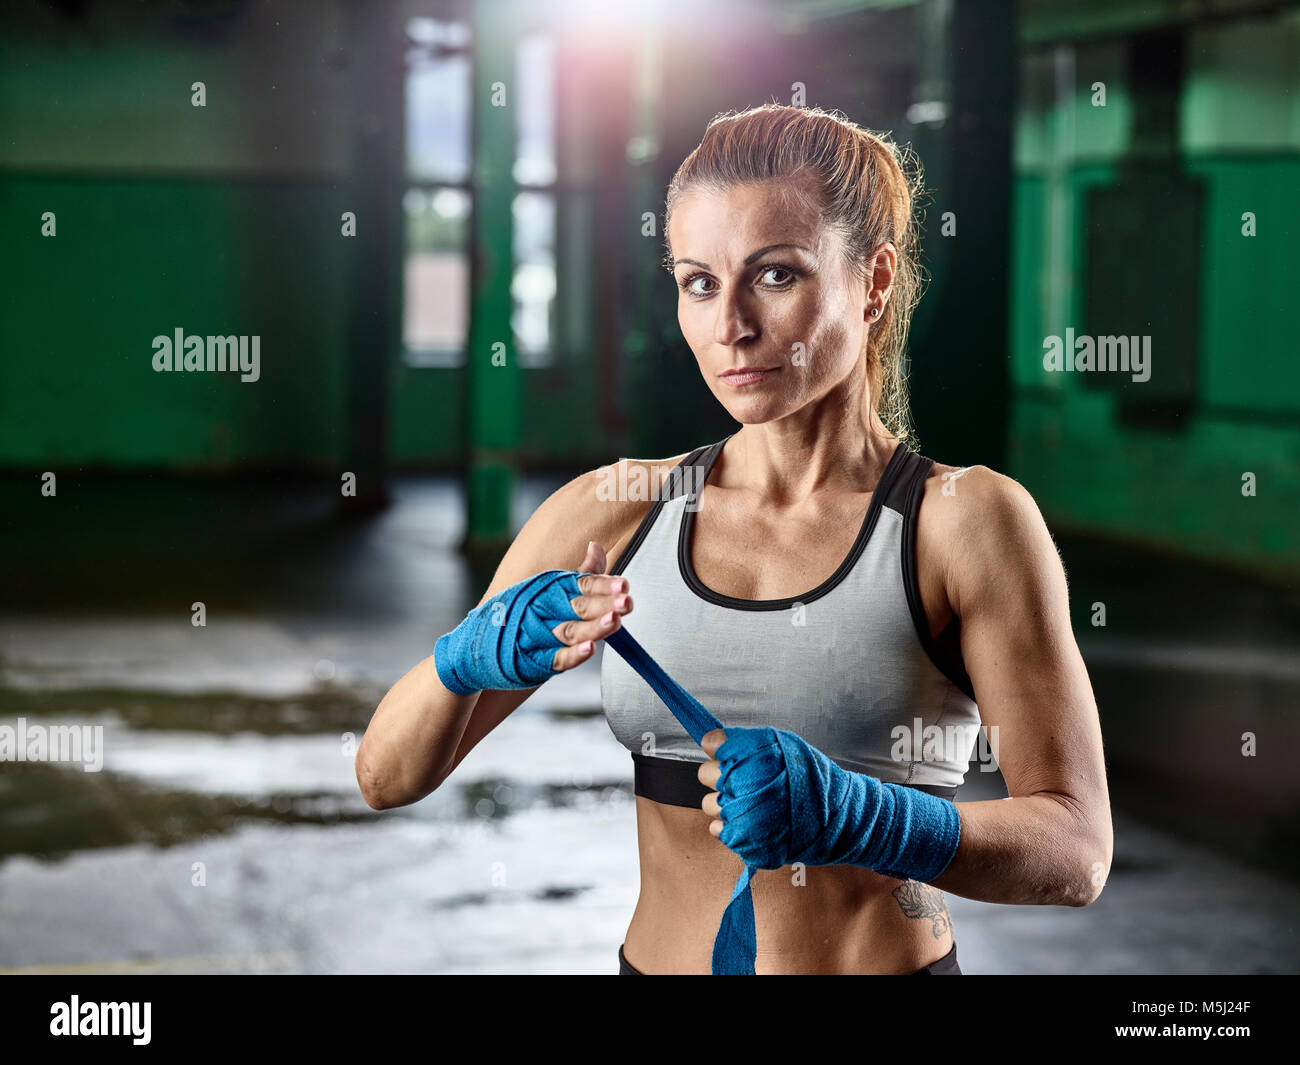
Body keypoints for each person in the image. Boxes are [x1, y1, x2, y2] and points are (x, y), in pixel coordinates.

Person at [356, 103, 1112, 975]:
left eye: (776, 276)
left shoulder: (963, 521)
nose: (730, 327)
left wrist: (864, 816)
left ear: (873, 282)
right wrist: (466, 659)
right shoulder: (615, 509)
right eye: (699, 282)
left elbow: (1076, 850)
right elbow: (385, 775)